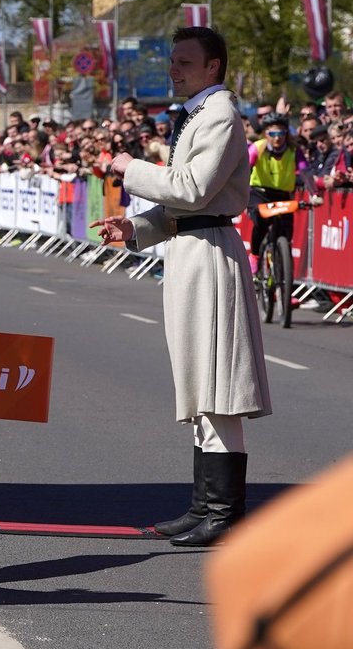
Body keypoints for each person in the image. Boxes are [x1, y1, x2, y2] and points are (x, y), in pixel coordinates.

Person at [91, 27, 272, 547]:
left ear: (213, 66)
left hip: (210, 255)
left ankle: (223, 511)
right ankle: (204, 507)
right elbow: (181, 210)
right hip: (192, 251)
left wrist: (132, 170)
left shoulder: (218, 115)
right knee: (200, 383)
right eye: (173, 60)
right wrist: (135, 230)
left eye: (184, 61)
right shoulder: (198, 113)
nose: (174, 68)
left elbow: (194, 191)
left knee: (218, 385)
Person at [245, 113, 302, 271]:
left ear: (286, 133)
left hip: (283, 195)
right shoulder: (257, 148)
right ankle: (255, 255)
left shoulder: (294, 150)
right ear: (266, 134)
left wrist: (315, 194)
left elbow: (306, 173)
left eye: (281, 133)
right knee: (261, 224)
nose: (277, 138)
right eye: (273, 134)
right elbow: (244, 169)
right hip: (259, 193)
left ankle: (281, 277)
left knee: (286, 234)